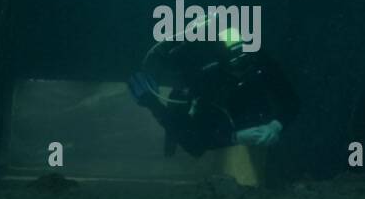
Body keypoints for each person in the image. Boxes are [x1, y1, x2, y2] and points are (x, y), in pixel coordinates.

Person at [128, 28, 299, 158]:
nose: (243, 70)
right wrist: (234, 138)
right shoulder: (204, 80)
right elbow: (193, 144)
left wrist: (276, 125)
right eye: (236, 65)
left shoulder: (260, 62)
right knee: (177, 125)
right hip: (216, 117)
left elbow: (290, 100)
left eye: (246, 61)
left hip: (245, 119)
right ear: (222, 65)